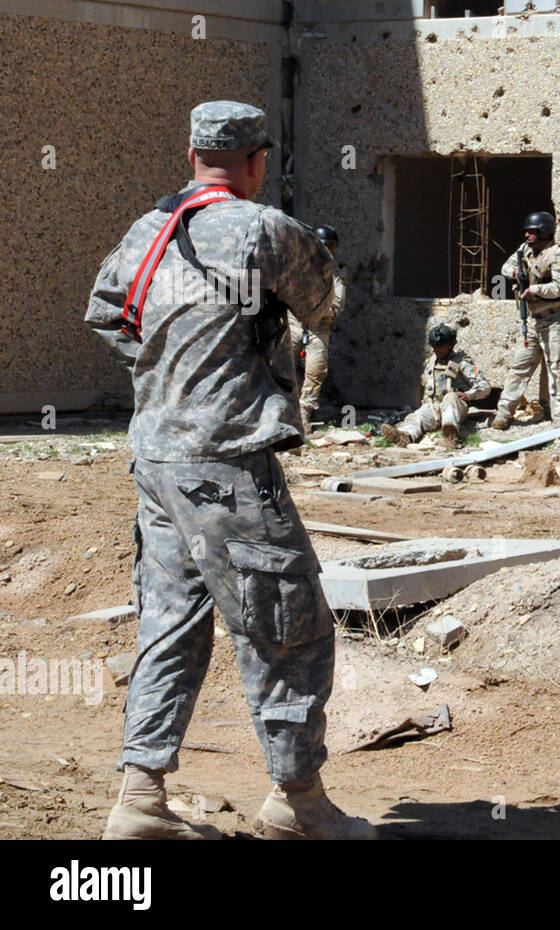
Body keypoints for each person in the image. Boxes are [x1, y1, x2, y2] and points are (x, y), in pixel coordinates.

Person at [84, 101, 375, 840]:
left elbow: (107, 314)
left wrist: (169, 369)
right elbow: (324, 307)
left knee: (169, 622)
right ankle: (298, 801)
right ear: (256, 162)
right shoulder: (263, 228)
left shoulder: (150, 230)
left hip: (156, 457)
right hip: (228, 461)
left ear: (191, 157)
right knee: (288, 624)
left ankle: (141, 799)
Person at [492, 211, 560, 430]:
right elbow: (504, 267)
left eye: (533, 231)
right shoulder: (524, 250)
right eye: (527, 231)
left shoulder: (558, 255)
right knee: (519, 367)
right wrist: (516, 272)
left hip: (554, 319)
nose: (528, 235)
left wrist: (535, 289)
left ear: (545, 232)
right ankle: (503, 413)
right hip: (531, 321)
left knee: (558, 369)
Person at [381, 324, 490, 449]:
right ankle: (405, 436)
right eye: (435, 347)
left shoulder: (463, 361)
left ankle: (450, 437)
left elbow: (484, 385)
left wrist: (468, 395)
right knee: (416, 417)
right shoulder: (431, 361)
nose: (437, 350)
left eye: (441, 347)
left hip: (455, 407)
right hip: (433, 407)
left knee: (450, 397)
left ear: (450, 346)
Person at [288, 224, 345, 428]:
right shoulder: (297, 264)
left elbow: (337, 305)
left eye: (330, 245)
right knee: (282, 364)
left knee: (316, 369)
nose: (326, 249)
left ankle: (305, 411)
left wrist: (313, 309)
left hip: (318, 326)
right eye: (323, 245)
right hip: (294, 322)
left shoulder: (336, 272)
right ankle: (286, 407)